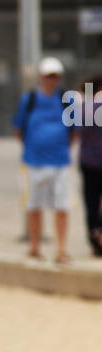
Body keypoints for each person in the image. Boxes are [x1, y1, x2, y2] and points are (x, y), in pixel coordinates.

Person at [11, 56, 77, 264]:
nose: (52, 80)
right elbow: (18, 128)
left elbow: (74, 131)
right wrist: (33, 146)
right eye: (49, 76)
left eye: (55, 76)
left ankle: (61, 249)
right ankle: (34, 246)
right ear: (41, 77)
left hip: (60, 161)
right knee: (33, 206)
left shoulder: (67, 100)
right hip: (33, 162)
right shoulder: (29, 100)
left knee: (62, 207)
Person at [77, 73, 102, 256]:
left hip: (88, 162)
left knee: (91, 203)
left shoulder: (84, 109)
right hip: (93, 162)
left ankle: (94, 238)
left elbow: (76, 132)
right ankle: (98, 233)